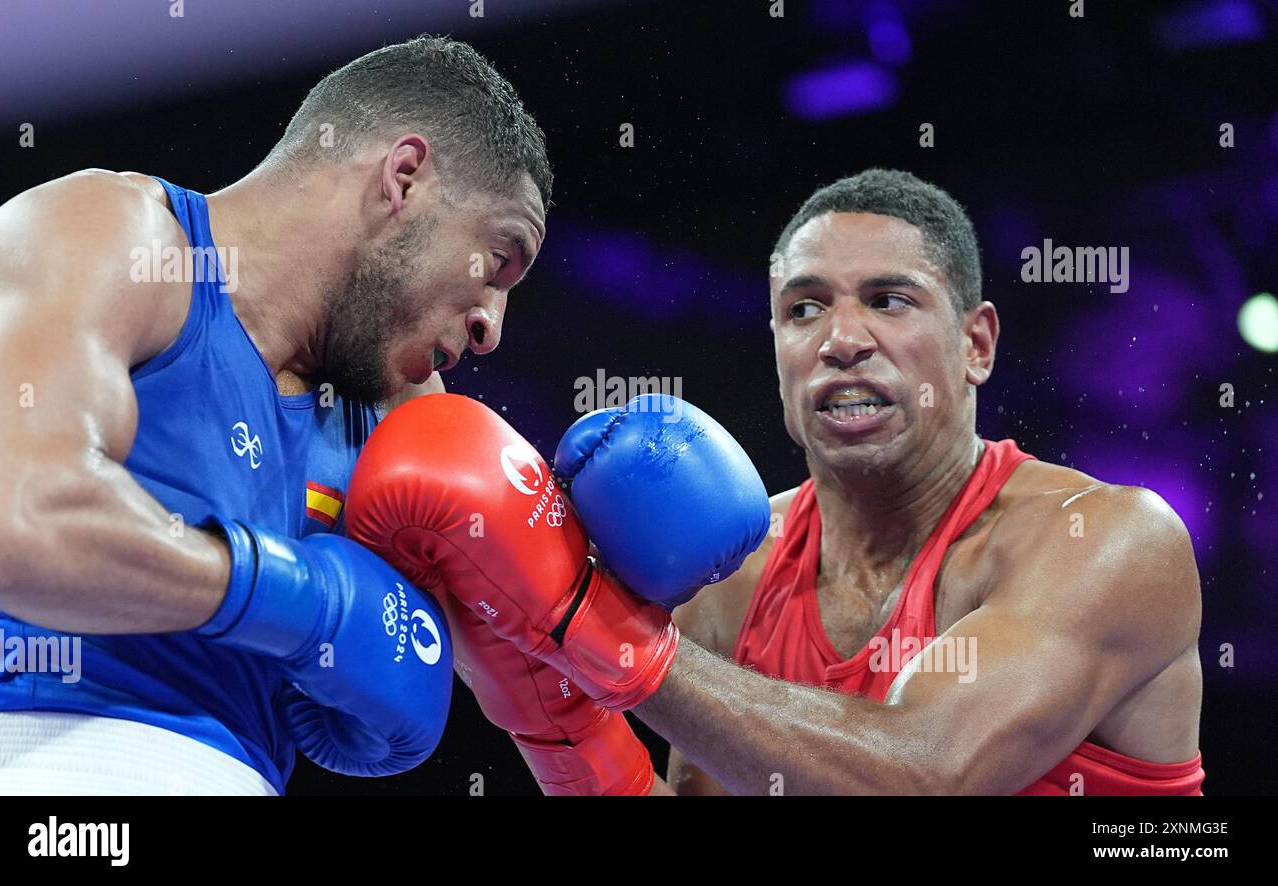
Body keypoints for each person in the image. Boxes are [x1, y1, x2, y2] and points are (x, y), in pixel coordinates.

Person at [440, 169, 1205, 796]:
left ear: (975, 344)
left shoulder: (1109, 540)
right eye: (804, 309)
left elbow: (928, 777)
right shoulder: (728, 581)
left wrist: (588, 625)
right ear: (778, 352)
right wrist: (564, 727)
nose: (841, 341)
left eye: (888, 300)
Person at [0, 35, 549, 795]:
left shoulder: (403, 425)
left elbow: (532, 674)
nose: (492, 326)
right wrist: (297, 600)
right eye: (497, 262)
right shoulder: (121, 236)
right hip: (36, 755)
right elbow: (11, 521)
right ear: (404, 179)